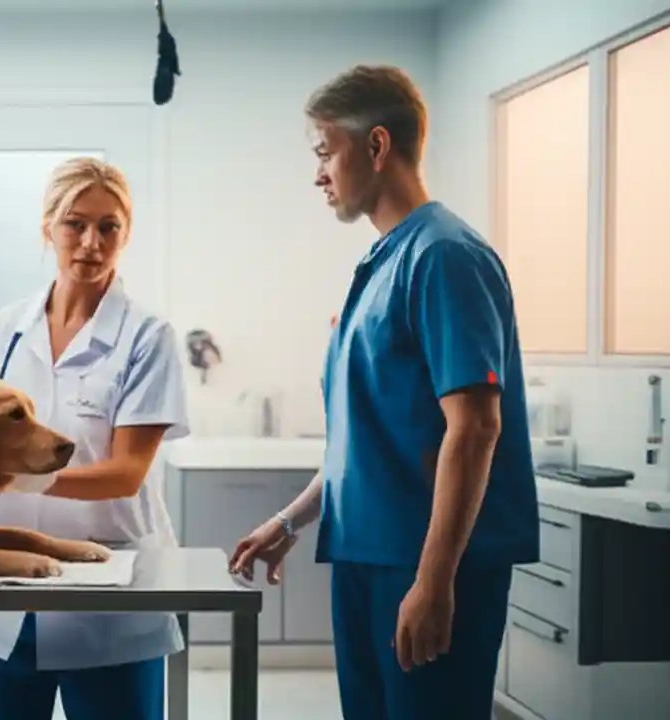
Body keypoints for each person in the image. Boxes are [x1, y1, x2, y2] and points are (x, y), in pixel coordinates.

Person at [228, 65, 539, 720]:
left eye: (324, 152)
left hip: (425, 564)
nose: (318, 174)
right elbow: (365, 437)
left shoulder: (445, 256)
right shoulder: (380, 265)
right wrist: (291, 521)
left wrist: (433, 581)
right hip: (367, 558)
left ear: (375, 146)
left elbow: (477, 427)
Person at [0, 156, 189, 720]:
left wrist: (9, 476)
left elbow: (125, 473)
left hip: (109, 600)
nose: (91, 242)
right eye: (74, 224)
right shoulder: (3, 333)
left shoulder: (146, 337)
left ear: (125, 234)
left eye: (109, 227)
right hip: (8, 599)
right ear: (47, 229)